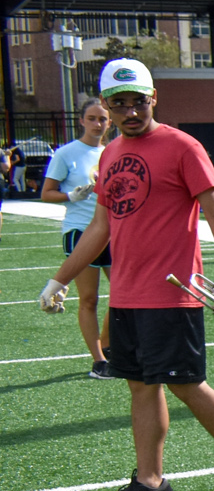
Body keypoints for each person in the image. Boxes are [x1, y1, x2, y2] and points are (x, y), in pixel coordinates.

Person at [38, 59, 214, 491]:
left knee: (187, 385)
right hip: (126, 293)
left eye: (139, 101)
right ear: (106, 105)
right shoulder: (110, 153)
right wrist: (60, 277)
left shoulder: (182, 146)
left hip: (172, 291)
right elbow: (100, 227)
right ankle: (150, 484)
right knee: (141, 386)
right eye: (120, 104)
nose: (131, 112)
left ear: (153, 99)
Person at [41, 96, 115, 377]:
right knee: (89, 298)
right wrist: (70, 196)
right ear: (81, 121)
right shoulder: (66, 153)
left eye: (102, 119)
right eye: (92, 118)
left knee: (123, 294)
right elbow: (46, 193)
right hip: (80, 231)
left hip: (111, 232)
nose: (97, 124)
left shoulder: (112, 151)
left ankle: (108, 346)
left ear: (110, 123)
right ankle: (99, 361)